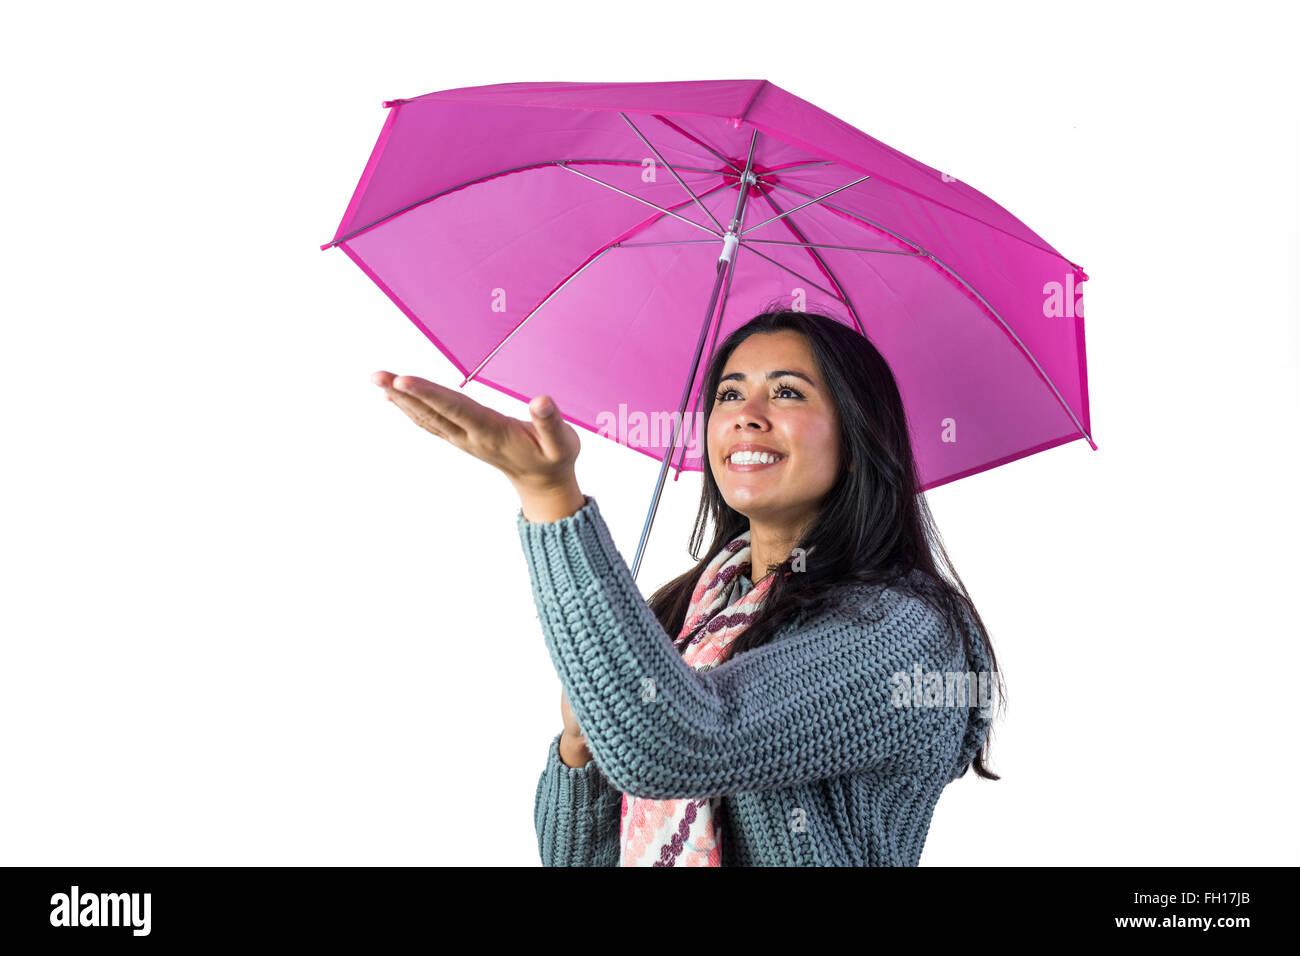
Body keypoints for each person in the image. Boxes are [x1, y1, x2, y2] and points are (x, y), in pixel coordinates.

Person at [372, 307, 1004, 866]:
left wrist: (549, 496)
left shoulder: (904, 635)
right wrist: (580, 746)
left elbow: (678, 741)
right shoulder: (692, 613)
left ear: (859, 431)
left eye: (786, 394)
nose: (746, 417)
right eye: (729, 396)